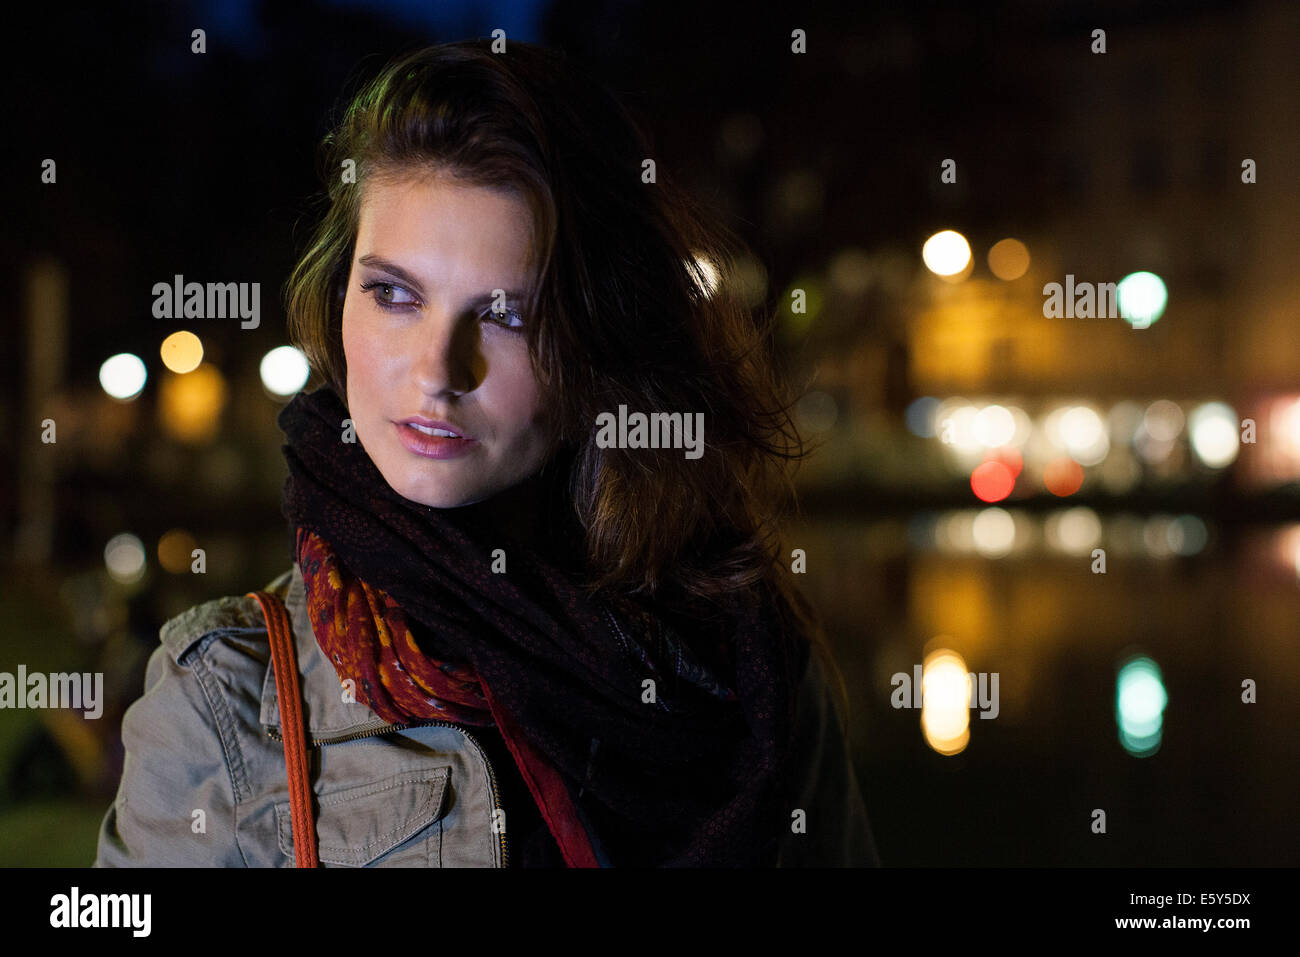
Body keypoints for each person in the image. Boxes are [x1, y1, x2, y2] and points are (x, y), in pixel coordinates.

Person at [94, 39, 879, 868]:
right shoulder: (224, 700)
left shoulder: (744, 656)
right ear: (337, 301)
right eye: (393, 294)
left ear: (595, 342)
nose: (437, 370)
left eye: (505, 315)